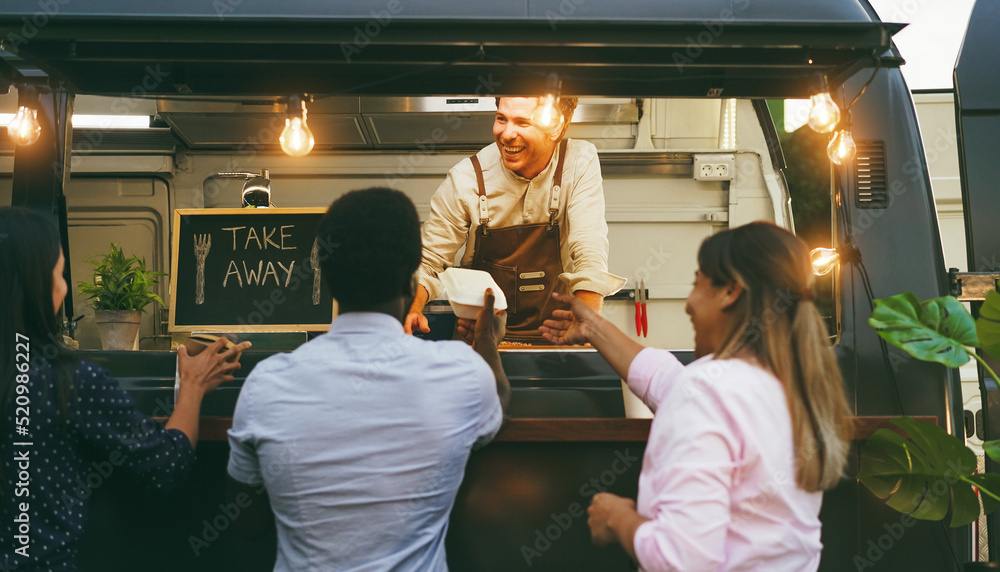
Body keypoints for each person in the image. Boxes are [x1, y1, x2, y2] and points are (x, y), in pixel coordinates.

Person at [226, 187, 511, 571]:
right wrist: (487, 339)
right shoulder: (459, 373)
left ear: (327, 279)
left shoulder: (267, 383)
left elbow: (248, 521)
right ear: (412, 282)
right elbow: (498, 394)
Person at [540, 222, 852, 571]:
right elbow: (668, 381)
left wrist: (618, 518)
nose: (688, 303)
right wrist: (593, 328)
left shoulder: (708, 390)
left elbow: (681, 560)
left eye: (697, 282)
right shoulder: (787, 386)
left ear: (730, 291)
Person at [0, 206, 250, 571]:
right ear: (39, 286)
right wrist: (193, 386)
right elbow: (167, 463)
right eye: (59, 272)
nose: (64, 285)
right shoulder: (71, 384)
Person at [405, 96, 625, 342]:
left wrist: (586, 319)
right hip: (482, 339)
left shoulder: (578, 161)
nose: (506, 134)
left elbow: (589, 245)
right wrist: (412, 307)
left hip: (560, 336)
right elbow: (430, 261)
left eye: (522, 122)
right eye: (501, 119)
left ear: (557, 128)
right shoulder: (466, 178)